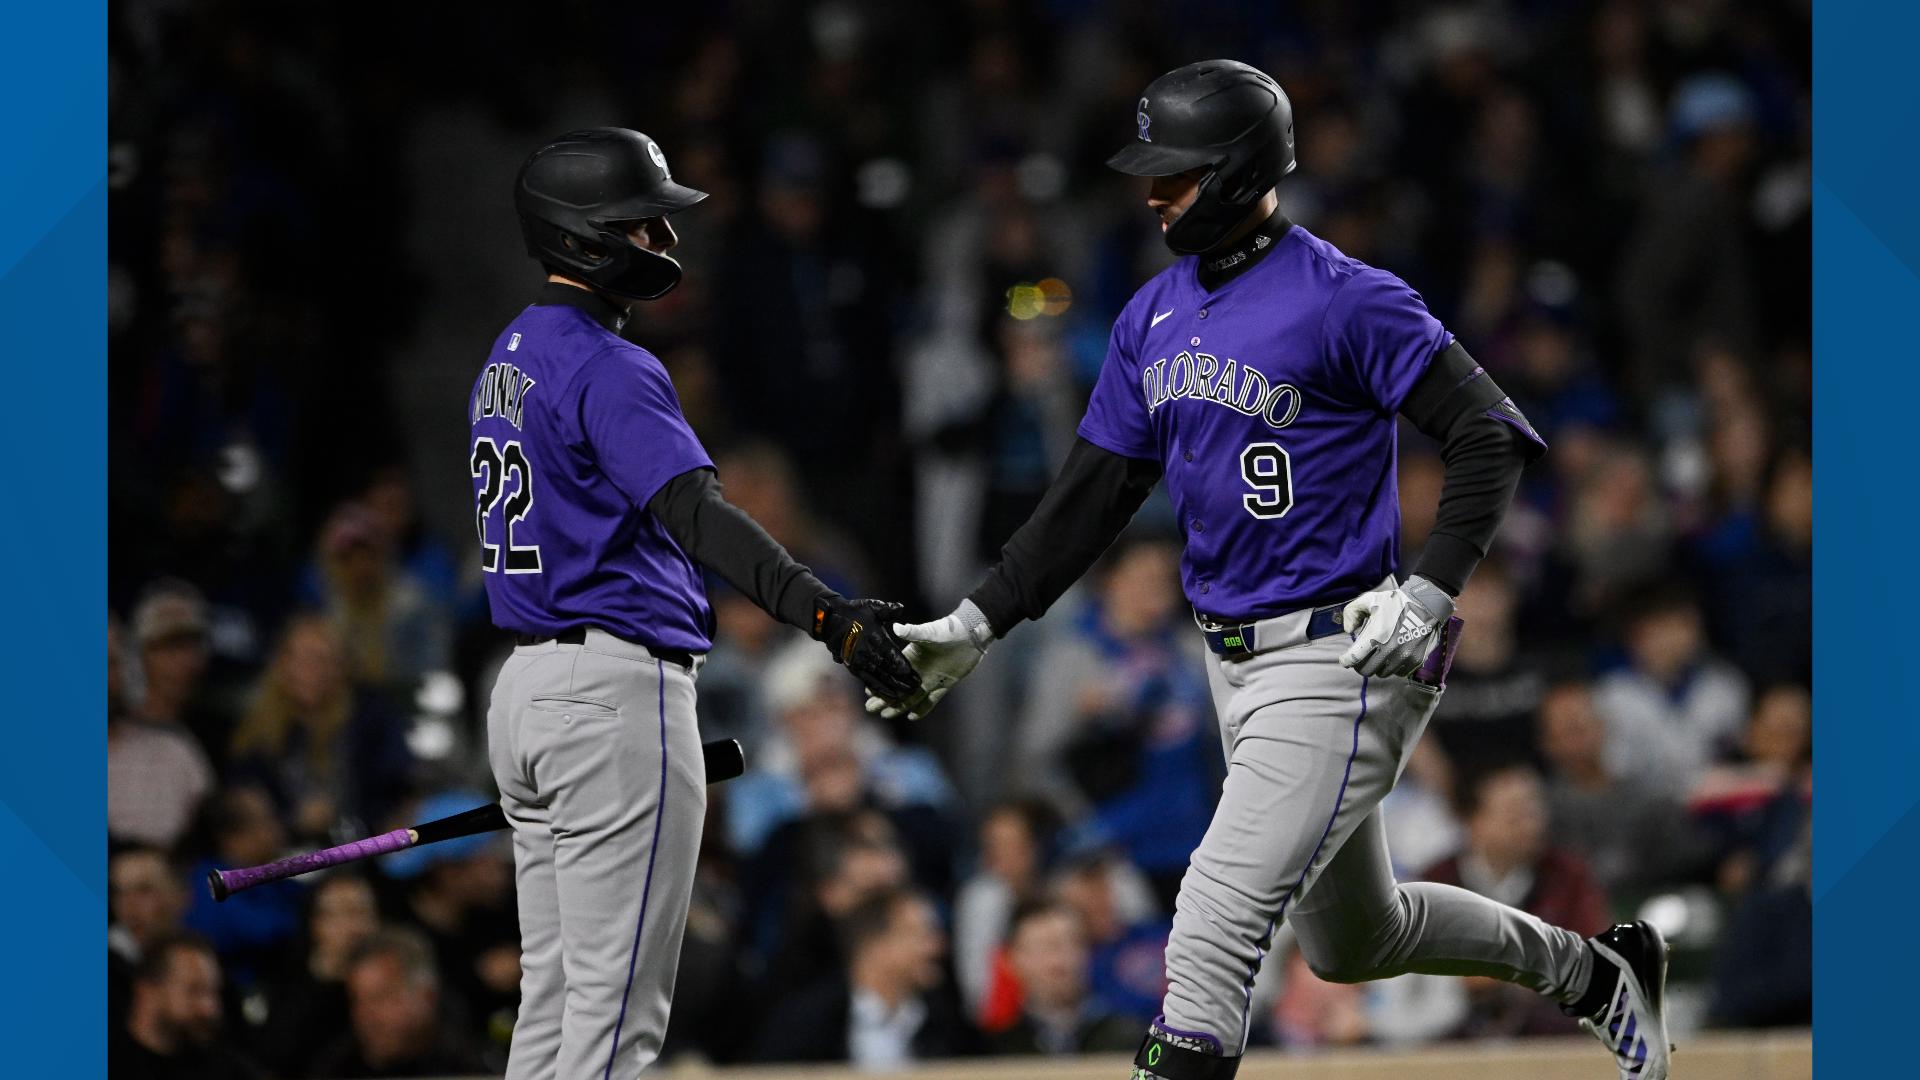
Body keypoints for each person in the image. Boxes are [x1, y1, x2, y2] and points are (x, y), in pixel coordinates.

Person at [869, 61, 1671, 1080]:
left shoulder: (1346, 297)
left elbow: (1490, 434)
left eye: (1179, 172)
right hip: (1231, 662)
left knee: (1208, 920)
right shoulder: (1149, 314)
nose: (1153, 191)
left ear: (1245, 172)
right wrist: (977, 622)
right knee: (1357, 942)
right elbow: (1092, 496)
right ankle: (1598, 976)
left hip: (1344, 654)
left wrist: (1429, 589)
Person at [474, 127, 921, 1080]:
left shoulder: (507, 357)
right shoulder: (606, 363)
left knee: (552, 1011)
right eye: (640, 225)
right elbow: (698, 518)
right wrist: (827, 614)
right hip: (613, 694)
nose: (660, 244)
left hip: (529, 693)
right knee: (616, 1021)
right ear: (584, 235)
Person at [1420, 763, 1612, 1039]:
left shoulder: (1569, 877)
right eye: (1514, 814)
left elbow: (1592, 960)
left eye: (1534, 811)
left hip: (1552, 1030)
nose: (1531, 824)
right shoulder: (1435, 883)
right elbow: (1413, 976)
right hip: (1452, 1030)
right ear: (1472, 821)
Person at [752, 886, 978, 1066]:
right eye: (922, 934)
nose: (937, 947)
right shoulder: (805, 1024)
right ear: (876, 946)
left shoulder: (946, 1023)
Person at [311, 928, 487, 1079]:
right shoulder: (337, 1068)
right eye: (356, 1000)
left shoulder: (475, 1068)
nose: (365, 1015)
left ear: (427, 996)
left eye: (380, 997)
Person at [989, 901, 1140, 1056]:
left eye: (1075, 942)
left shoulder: (1128, 1036)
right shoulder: (992, 1048)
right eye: (1049, 946)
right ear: (1013, 959)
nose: (1064, 958)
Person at [112, 933, 262, 1080]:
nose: (210, 1008)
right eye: (194, 990)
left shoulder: (230, 1072)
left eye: (214, 993)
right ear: (147, 990)